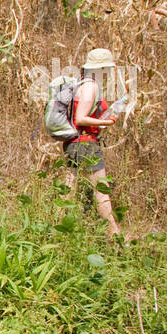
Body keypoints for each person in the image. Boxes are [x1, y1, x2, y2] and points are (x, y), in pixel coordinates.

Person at [62, 48, 123, 238]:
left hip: (74, 144)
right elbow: (80, 119)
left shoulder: (82, 84)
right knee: (101, 192)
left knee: (67, 191)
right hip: (86, 145)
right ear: (101, 68)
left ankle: (54, 230)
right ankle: (116, 237)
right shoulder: (91, 87)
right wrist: (105, 122)